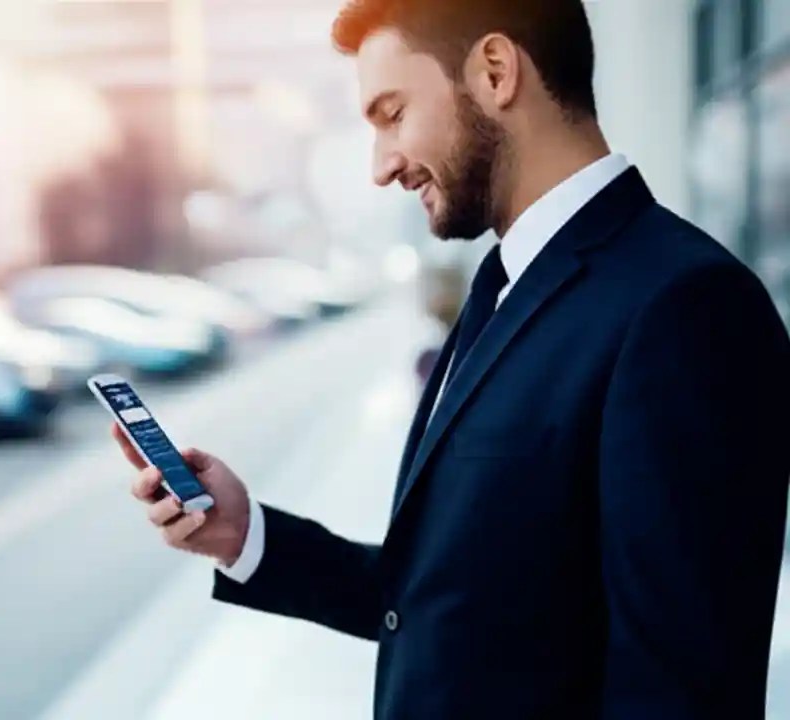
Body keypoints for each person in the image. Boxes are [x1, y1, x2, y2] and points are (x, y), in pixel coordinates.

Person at [113, 0, 790, 717]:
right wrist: (249, 536)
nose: (381, 167)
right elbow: (447, 601)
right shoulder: (503, 291)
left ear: (496, 72)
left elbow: (677, 691)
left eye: (392, 114)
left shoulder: (685, 308)